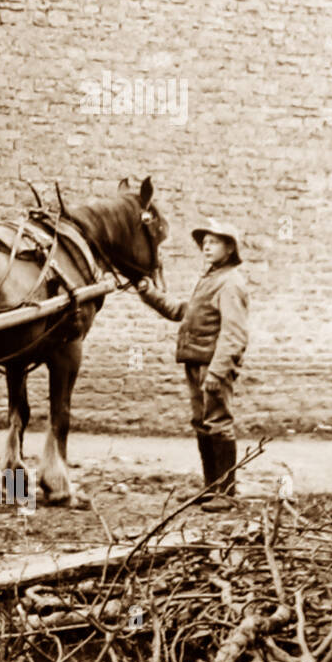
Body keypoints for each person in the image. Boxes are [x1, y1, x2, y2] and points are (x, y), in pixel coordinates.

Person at [136, 219, 249, 511]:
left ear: (230, 248)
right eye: (205, 243)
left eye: (214, 242)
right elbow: (181, 312)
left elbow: (234, 334)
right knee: (202, 423)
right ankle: (211, 488)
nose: (207, 247)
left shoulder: (231, 283)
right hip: (197, 363)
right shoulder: (211, 279)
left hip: (212, 367)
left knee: (219, 423)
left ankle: (226, 494)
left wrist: (217, 371)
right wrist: (149, 292)